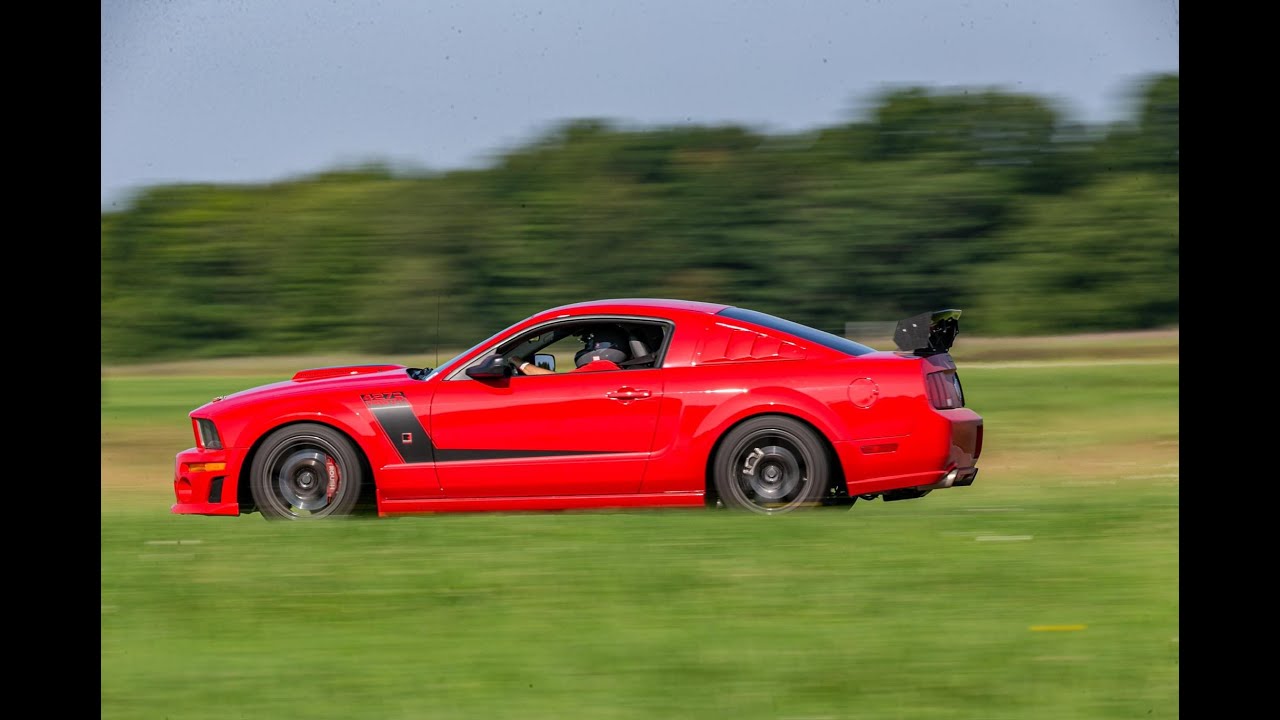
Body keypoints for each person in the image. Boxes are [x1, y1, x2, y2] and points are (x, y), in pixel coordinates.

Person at [517, 326, 630, 375]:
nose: (586, 350)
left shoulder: (602, 366)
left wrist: (519, 363)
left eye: (588, 344)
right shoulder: (613, 369)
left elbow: (557, 382)